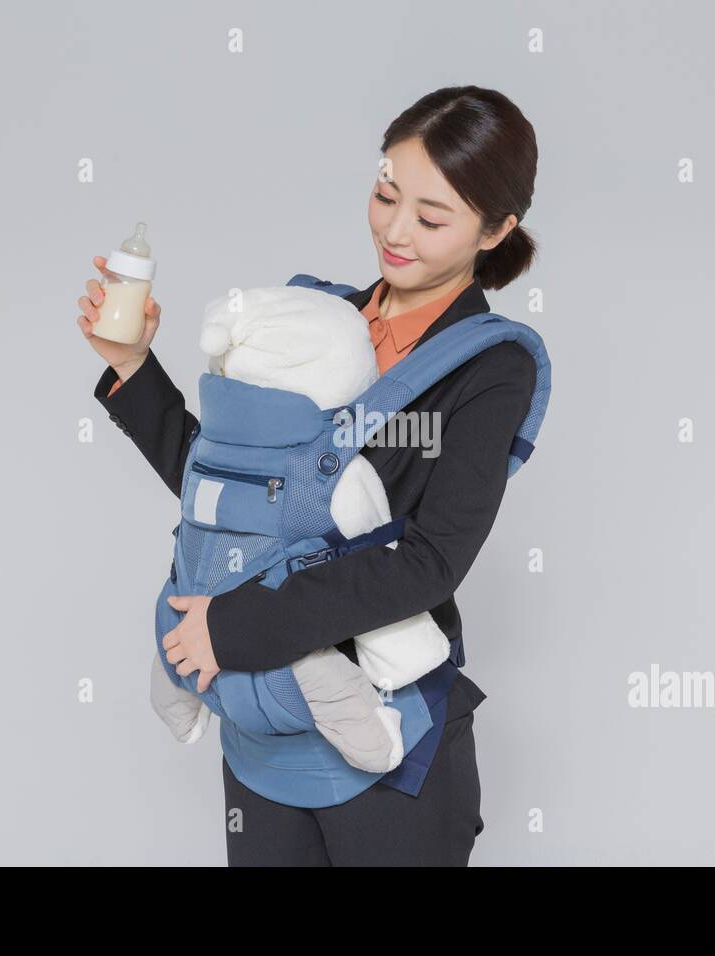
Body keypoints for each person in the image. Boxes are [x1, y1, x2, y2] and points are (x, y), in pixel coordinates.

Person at [77, 85, 542, 865]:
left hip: (393, 736)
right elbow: (229, 495)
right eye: (386, 193)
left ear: (496, 229)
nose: (395, 231)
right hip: (267, 724)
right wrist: (132, 366)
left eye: (432, 218)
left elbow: (430, 560)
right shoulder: (309, 321)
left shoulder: (489, 366)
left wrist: (232, 628)